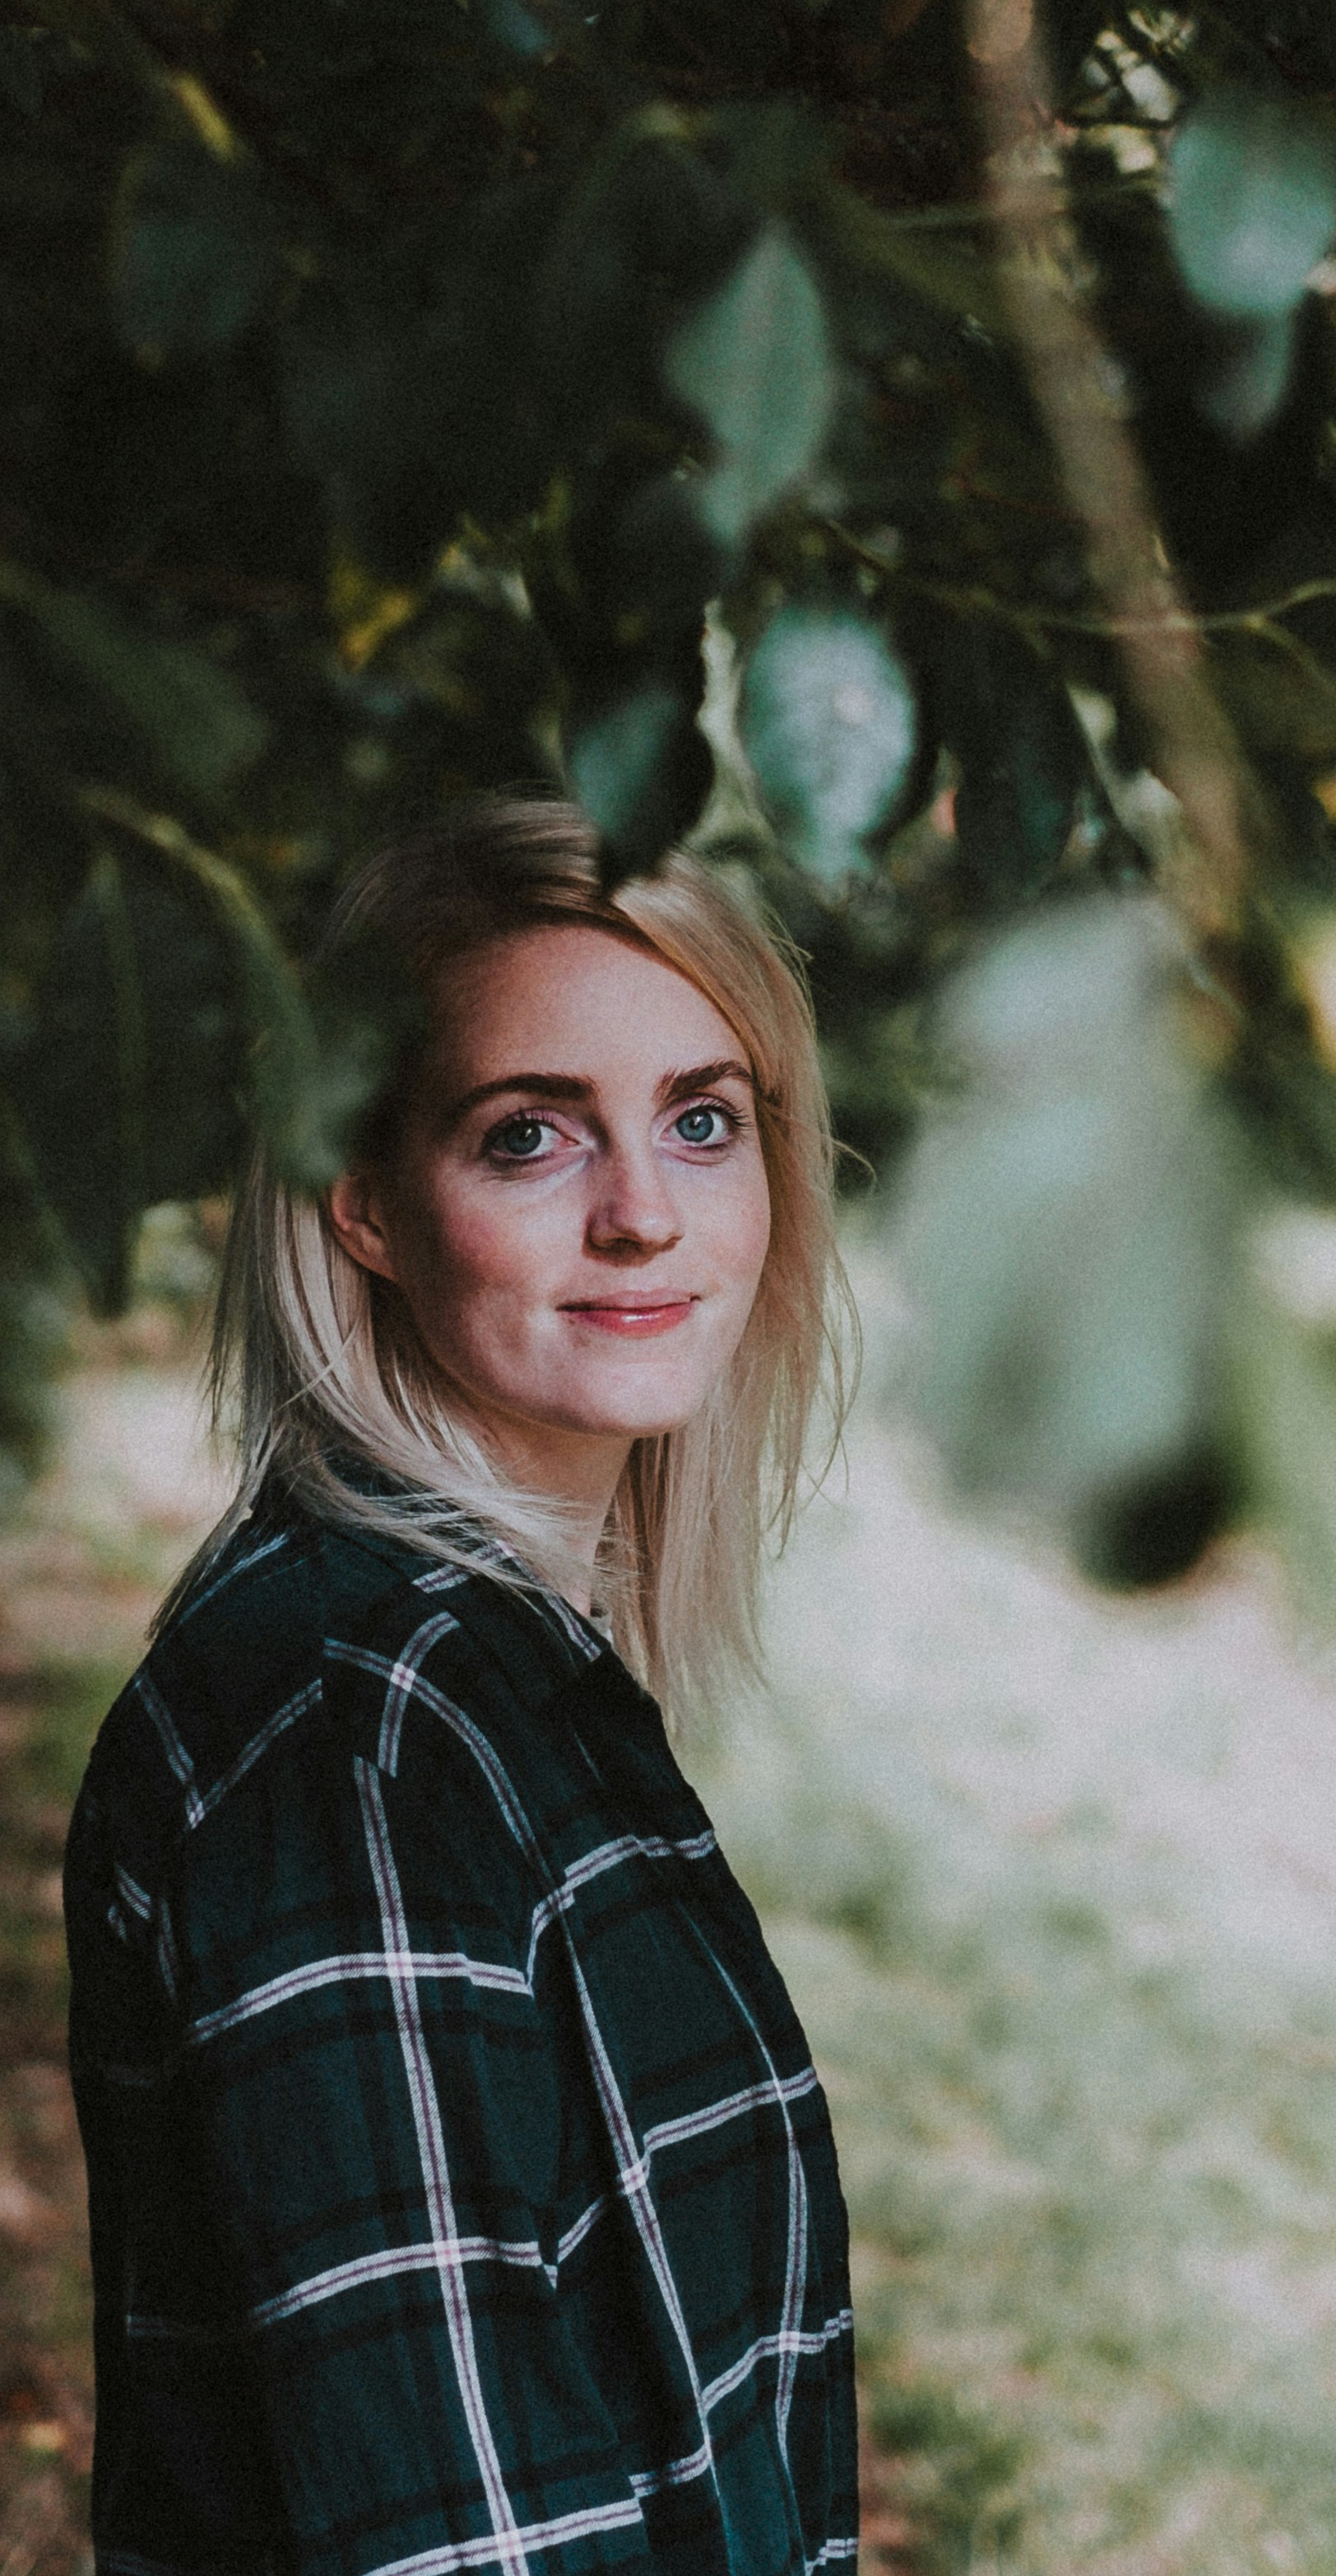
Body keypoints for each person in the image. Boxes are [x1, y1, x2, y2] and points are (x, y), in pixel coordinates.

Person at [63, 799, 862, 2576]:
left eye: (704, 1121)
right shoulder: (361, 1730)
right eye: (530, 1139)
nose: (646, 1217)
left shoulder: (483, 1676)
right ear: (359, 1194)